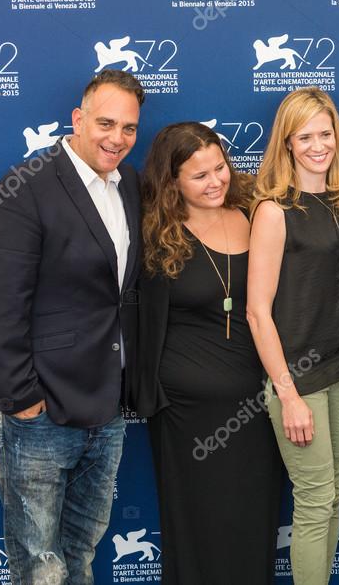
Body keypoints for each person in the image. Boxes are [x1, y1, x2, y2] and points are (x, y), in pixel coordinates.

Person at [0, 70, 143, 584]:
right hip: (38, 409)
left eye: (129, 128)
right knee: (40, 564)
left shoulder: (128, 184)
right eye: (105, 123)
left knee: (81, 550)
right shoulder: (24, 188)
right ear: (78, 119)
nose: (116, 138)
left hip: (105, 405)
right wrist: (22, 400)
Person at [134, 122, 281, 584]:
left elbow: (330, 197)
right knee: (197, 529)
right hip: (185, 413)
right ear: (172, 181)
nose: (215, 180)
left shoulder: (253, 209)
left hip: (254, 407)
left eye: (220, 168)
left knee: (252, 526)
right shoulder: (156, 232)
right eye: (199, 176)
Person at [247, 87, 339, 585]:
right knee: (315, 499)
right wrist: (287, 393)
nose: (318, 145)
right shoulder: (274, 211)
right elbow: (258, 312)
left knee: (335, 491)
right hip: (298, 379)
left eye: (326, 134)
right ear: (287, 143)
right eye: (306, 136)